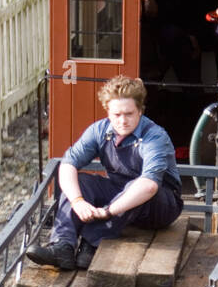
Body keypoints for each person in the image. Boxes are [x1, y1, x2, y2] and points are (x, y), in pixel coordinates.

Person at [26, 75, 183, 272]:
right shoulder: (99, 130)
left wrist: (108, 210)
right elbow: (67, 164)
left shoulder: (154, 137)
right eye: (117, 115)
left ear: (140, 111)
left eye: (129, 114)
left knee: (137, 187)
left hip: (161, 204)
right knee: (80, 181)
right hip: (120, 191)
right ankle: (62, 246)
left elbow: (149, 186)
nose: (123, 121)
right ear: (108, 112)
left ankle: (91, 243)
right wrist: (77, 201)